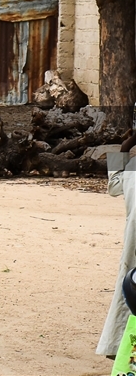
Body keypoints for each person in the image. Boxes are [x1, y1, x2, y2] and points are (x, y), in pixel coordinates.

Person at [98, 130, 136, 360]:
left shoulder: (132, 166)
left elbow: (113, 187)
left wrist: (124, 147)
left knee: (127, 286)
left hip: (132, 238)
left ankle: (115, 345)